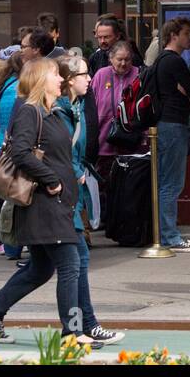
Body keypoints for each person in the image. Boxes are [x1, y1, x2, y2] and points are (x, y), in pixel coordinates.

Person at [0, 57, 101, 347]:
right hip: (44, 204)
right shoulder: (30, 111)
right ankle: (72, 332)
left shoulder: (51, 112)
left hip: (57, 204)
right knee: (70, 264)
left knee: (40, 269)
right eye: (55, 75)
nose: (61, 80)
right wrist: (51, 179)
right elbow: (21, 153)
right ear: (42, 80)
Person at [53, 54, 125, 345]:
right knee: (74, 262)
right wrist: (74, 172)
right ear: (68, 80)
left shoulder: (78, 107)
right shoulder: (57, 111)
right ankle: (77, 328)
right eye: (83, 75)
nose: (89, 79)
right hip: (60, 198)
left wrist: (80, 170)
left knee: (42, 270)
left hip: (73, 194)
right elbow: (54, 153)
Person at [153, 17, 190, 253]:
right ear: (174, 35)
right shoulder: (173, 61)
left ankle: (166, 233)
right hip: (173, 125)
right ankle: (170, 236)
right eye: (186, 33)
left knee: (167, 182)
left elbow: (187, 89)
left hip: (167, 124)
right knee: (172, 183)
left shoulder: (161, 60)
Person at [0, 51, 26, 258]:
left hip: (1, 149)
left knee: (3, 195)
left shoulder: (5, 86)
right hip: (13, 150)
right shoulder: (17, 89)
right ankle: (9, 244)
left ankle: (4, 242)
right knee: (11, 198)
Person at [90, 40, 140, 187]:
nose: (123, 63)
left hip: (131, 145)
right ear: (111, 59)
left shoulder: (139, 75)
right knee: (104, 189)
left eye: (127, 59)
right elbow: (91, 105)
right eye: (119, 59)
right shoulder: (101, 75)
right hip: (103, 144)